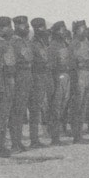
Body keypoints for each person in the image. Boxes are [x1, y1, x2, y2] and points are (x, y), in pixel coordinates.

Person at [0, 16, 16, 157]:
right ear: (0, 29)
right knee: (0, 117)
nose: (11, 29)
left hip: (10, 82)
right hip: (3, 84)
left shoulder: (8, 44)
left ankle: (2, 144)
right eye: (8, 26)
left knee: (5, 116)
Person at [9, 16, 34, 152]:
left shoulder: (26, 42)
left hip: (27, 76)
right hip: (19, 78)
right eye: (24, 25)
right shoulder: (14, 42)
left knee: (21, 111)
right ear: (17, 26)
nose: (27, 27)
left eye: (27, 25)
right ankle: (15, 143)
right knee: (16, 111)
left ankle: (18, 141)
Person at [28, 17, 52, 148]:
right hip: (36, 78)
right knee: (35, 110)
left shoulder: (43, 43)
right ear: (36, 29)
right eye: (41, 27)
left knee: (39, 109)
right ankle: (34, 139)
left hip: (43, 77)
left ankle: (36, 138)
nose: (44, 29)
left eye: (44, 26)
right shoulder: (33, 43)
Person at [48, 21, 72, 146]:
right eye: (62, 30)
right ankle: (54, 137)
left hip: (66, 76)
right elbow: (51, 66)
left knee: (63, 105)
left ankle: (58, 134)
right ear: (57, 31)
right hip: (58, 78)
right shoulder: (53, 46)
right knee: (56, 108)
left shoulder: (64, 44)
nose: (64, 32)